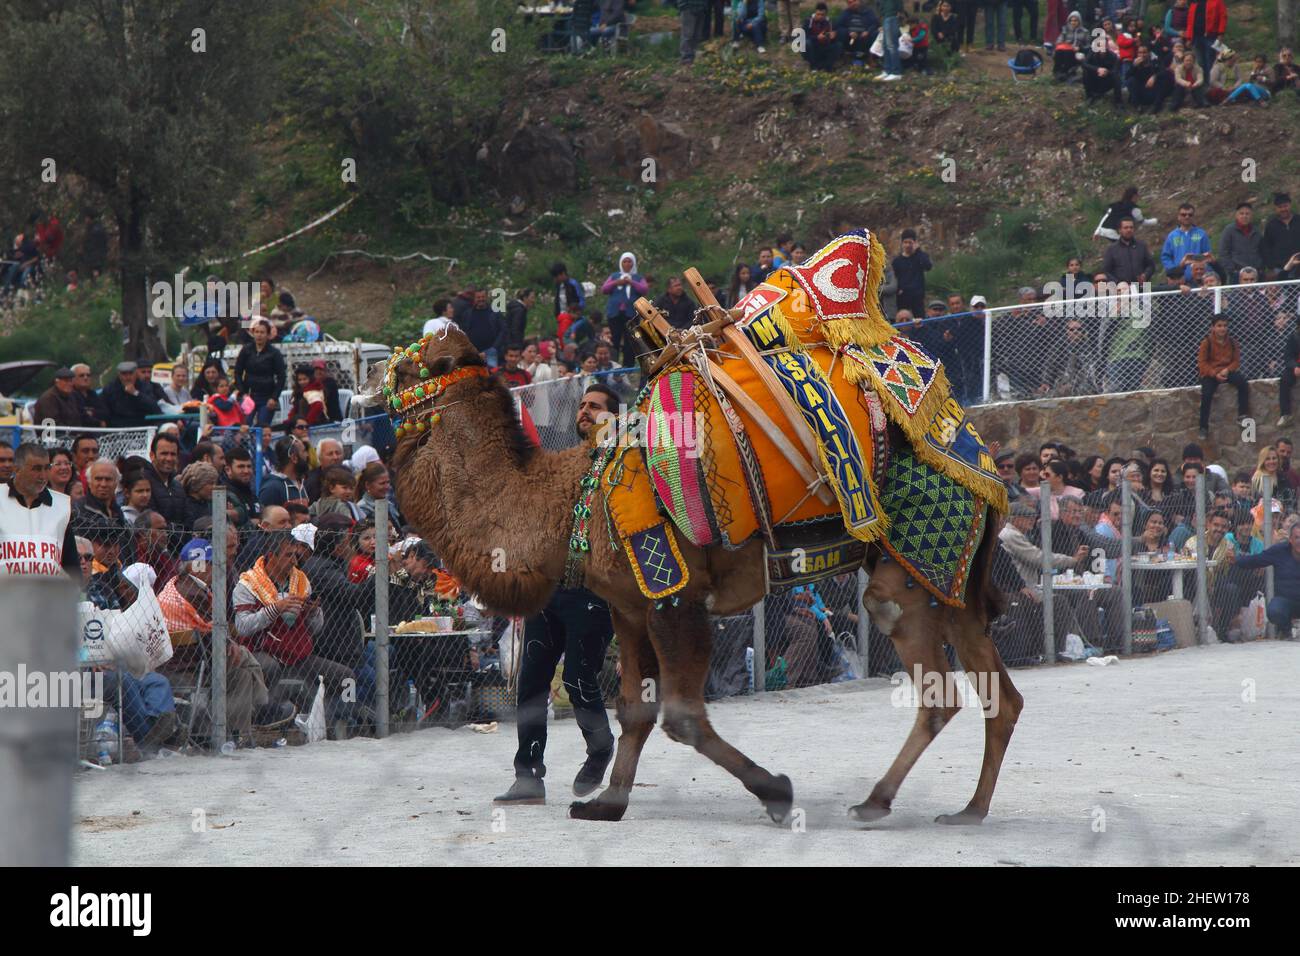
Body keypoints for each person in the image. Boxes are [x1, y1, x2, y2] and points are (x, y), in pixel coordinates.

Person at [495, 384, 621, 806]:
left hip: (594, 590)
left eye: (596, 406)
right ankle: (528, 775)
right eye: (583, 405)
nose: (585, 411)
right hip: (547, 590)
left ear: (614, 417)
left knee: (578, 678)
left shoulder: (624, 467)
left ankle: (601, 747)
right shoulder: (562, 463)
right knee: (530, 681)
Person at [234, 529, 355, 723]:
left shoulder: (301, 580)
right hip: (262, 650)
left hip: (297, 652)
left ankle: (338, 723)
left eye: (295, 555)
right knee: (271, 667)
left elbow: (315, 628)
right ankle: (269, 718)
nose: (294, 561)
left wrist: (312, 612)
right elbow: (242, 627)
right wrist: (275, 609)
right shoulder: (247, 584)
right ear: (271, 556)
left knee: (346, 677)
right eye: (288, 555)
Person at [0, 443, 79, 577]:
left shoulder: (61, 506)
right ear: (17, 469)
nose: (43, 476)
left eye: (47, 468)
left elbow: (71, 565)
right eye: (36, 469)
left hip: (48, 595)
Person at [1228, 522, 1300, 635]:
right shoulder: (1280, 551)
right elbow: (1258, 559)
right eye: (1297, 537)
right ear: (1290, 540)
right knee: (1275, 611)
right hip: (1286, 601)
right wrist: (1237, 560)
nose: (1299, 541)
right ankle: (1285, 630)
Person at [1196, 315, 1248, 439]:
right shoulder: (1206, 343)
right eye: (1219, 326)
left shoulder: (1232, 342)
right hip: (1211, 373)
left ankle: (1242, 415)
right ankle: (1203, 427)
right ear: (1213, 327)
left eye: (1225, 326)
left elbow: (1236, 361)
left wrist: (1227, 370)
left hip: (1226, 371)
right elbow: (1202, 363)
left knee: (1243, 383)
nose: (1222, 329)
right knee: (1207, 394)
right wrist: (1215, 374)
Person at [101, 360, 162, 428]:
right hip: (117, 427)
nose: (128, 377)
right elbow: (103, 409)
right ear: (119, 374)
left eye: (130, 373)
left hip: (141, 425)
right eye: (124, 374)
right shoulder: (110, 388)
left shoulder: (144, 386)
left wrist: (136, 393)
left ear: (136, 373)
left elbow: (155, 408)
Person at [259, 435, 310, 509]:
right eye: (304, 451)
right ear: (294, 458)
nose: (307, 455)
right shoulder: (271, 488)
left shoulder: (300, 482)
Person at [891, 229, 932, 316]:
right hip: (903, 297)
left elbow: (928, 266)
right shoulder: (897, 261)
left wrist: (918, 251)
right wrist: (899, 290)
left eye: (910, 242)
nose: (907, 245)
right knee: (903, 321)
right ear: (902, 243)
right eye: (905, 242)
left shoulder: (920, 256)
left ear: (914, 243)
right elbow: (895, 277)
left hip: (917, 296)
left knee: (920, 321)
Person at [1101, 217, 1155, 283]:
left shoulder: (1142, 246)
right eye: (1126, 228)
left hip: (1143, 286)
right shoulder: (1112, 249)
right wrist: (1118, 283)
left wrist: (1145, 275)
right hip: (1122, 289)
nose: (1129, 230)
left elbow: (1151, 265)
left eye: (1131, 227)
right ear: (1120, 230)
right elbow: (1106, 271)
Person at [802, 2, 842, 72]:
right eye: (818, 14)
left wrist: (834, 36)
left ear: (826, 14)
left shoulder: (830, 22)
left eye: (822, 15)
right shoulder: (808, 21)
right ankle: (813, 66)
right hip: (813, 47)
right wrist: (816, 37)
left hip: (825, 46)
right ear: (815, 13)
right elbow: (804, 37)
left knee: (838, 45)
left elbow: (835, 36)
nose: (820, 16)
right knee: (807, 43)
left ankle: (827, 67)